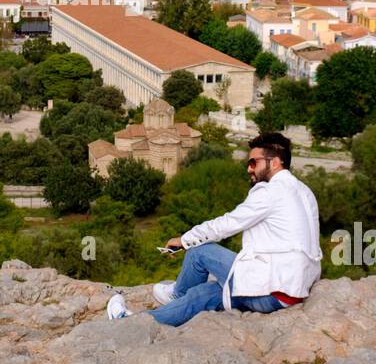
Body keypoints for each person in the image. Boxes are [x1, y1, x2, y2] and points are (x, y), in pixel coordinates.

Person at [107, 131, 322, 327]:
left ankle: (177, 294)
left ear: (274, 162)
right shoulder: (305, 192)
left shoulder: (269, 191)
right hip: (291, 293)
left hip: (272, 288)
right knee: (202, 295)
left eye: (253, 162)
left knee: (200, 250)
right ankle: (132, 324)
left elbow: (227, 224)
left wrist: (184, 240)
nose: (249, 168)